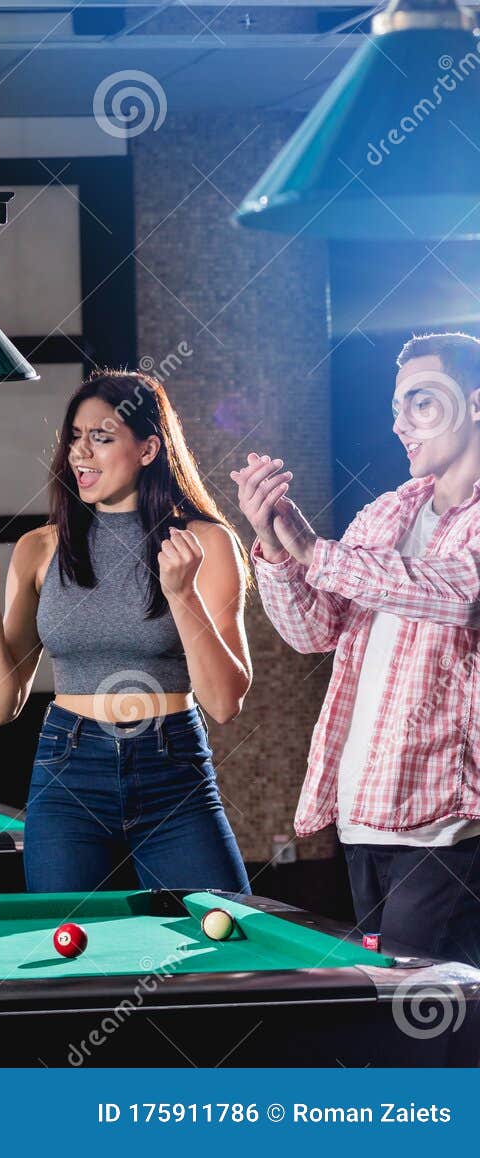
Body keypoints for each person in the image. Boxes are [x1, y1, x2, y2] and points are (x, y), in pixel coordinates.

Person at [234, 333, 480, 966]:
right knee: (391, 1005)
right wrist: (276, 548)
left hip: (449, 827)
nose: (400, 424)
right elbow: (312, 632)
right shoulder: (386, 514)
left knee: (427, 1019)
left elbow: (458, 594)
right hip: (363, 813)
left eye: (420, 403)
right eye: (396, 407)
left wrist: (316, 551)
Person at [0, 370, 252, 894]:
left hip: (172, 771)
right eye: (74, 436)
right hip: (70, 769)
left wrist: (181, 594)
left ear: (148, 449)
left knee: (223, 935)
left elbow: (224, 701)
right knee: (68, 956)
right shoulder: (40, 547)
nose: (80, 453)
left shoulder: (206, 542)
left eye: (101, 437)